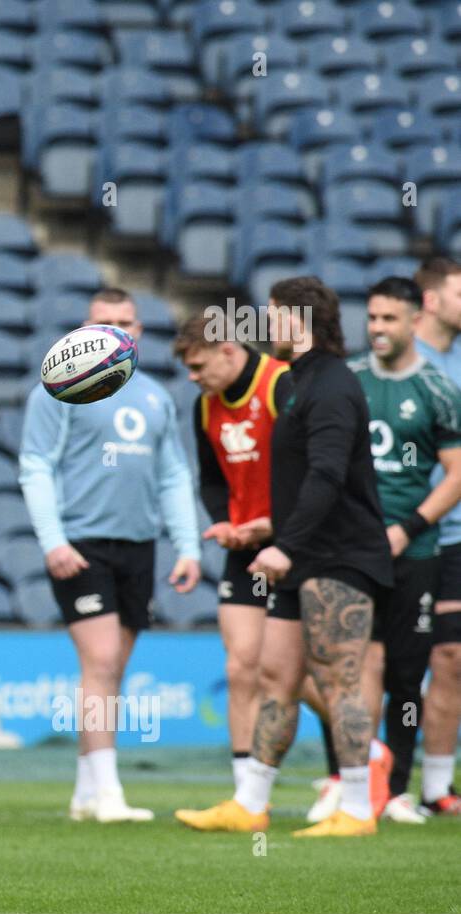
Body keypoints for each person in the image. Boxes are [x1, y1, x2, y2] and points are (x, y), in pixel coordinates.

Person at [176, 276, 394, 837]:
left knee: (340, 680)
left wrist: (285, 545)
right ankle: (250, 802)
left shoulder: (333, 384)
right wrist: (280, 538)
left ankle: (357, 808)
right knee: (275, 676)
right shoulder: (298, 380)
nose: (263, 325)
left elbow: (327, 474)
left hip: (339, 555)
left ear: (297, 320)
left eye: (271, 316)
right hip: (300, 557)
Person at [20, 288, 202, 823]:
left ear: (138, 331)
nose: (117, 328)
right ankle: (109, 794)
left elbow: (173, 475)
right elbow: (36, 465)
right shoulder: (58, 390)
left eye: (127, 321)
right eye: (105, 320)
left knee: (111, 672)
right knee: (100, 663)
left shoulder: (156, 397)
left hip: (139, 544)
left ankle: (85, 790)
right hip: (81, 545)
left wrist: (188, 546)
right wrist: (53, 540)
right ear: (85, 330)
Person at [341, 277, 461, 823]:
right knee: (361, 664)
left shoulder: (438, 389)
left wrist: (408, 528)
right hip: (356, 549)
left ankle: (398, 790)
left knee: (407, 677)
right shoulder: (350, 381)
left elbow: (456, 474)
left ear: (415, 321)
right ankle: (361, 783)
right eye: (372, 317)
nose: (378, 328)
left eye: (389, 318)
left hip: (416, 551)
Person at [173, 316, 291, 793]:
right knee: (240, 665)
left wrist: (279, 525)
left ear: (227, 349)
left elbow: (314, 466)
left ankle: (354, 769)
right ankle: (246, 788)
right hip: (245, 549)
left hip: (295, 543)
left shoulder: (281, 384)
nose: (192, 377)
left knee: (298, 673)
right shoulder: (205, 406)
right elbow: (210, 478)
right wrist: (223, 520)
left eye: (198, 366)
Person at [411, 257, 461, 815]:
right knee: (386, 662)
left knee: (451, 656)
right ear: (431, 300)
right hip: (401, 532)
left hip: (456, 533)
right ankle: (364, 775)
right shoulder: (402, 361)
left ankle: (437, 788)